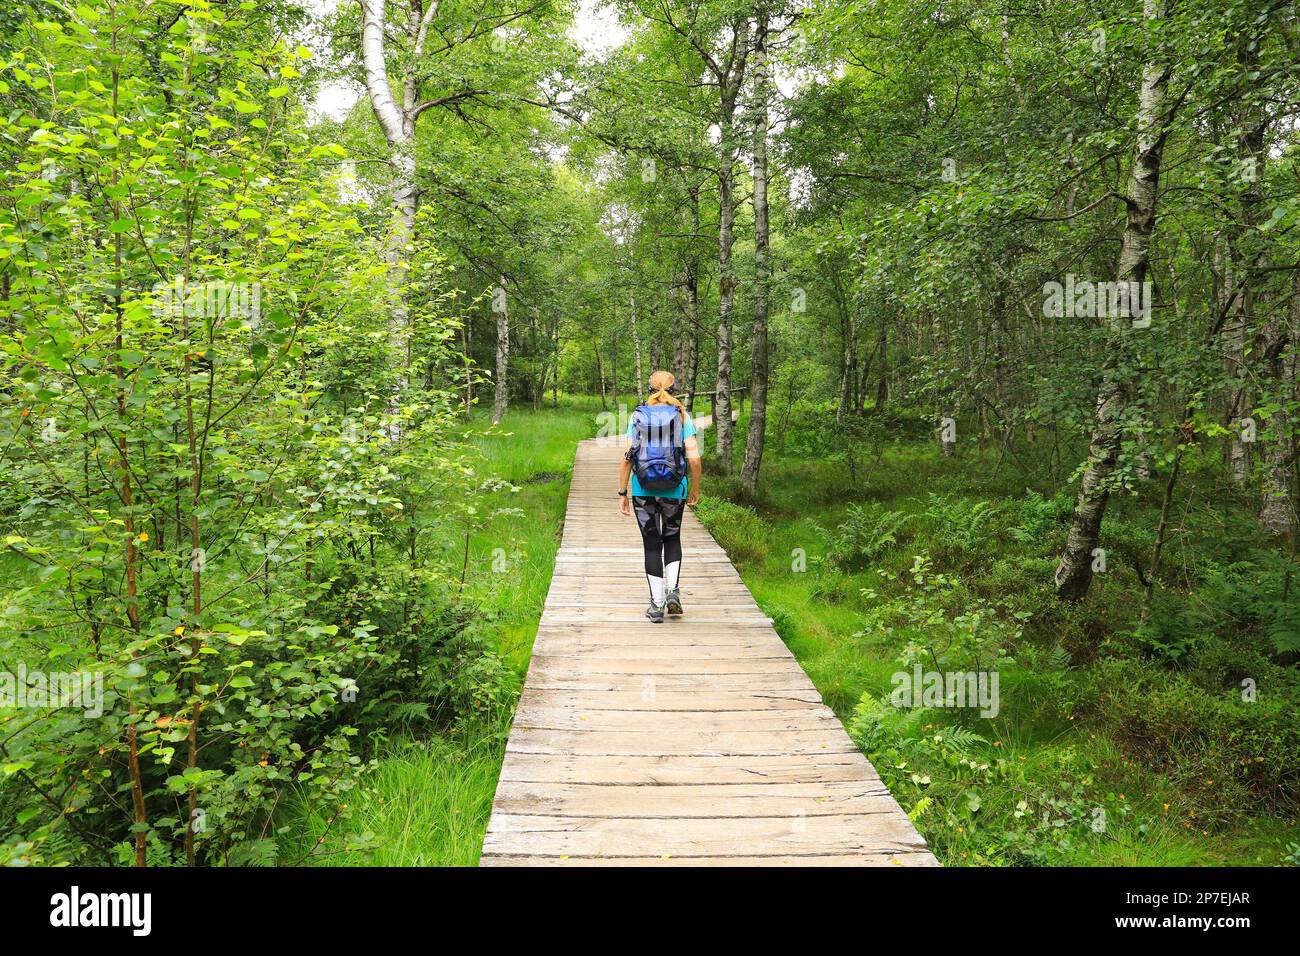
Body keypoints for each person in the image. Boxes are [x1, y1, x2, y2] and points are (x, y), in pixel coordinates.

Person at [618, 370, 703, 623]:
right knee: (672, 537)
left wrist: (622, 492)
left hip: (643, 489)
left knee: (652, 544)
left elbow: (626, 459)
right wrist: (694, 487)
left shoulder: (637, 416)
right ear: (674, 389)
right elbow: (695, 458)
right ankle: (672, 592)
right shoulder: (681, 415)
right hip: (675, 488)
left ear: (649, 388)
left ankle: (656, 606)